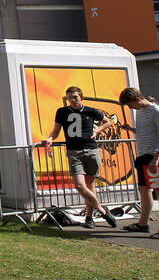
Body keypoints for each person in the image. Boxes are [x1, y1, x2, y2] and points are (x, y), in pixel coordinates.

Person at [42, 86, 117, 228]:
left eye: (75, 97)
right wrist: (50, 138)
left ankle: (89, 217)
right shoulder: (62, 112)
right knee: (80, 185)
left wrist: (97, 131)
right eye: (70, 98)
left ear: (81, 97)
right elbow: (56, 130)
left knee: (90, 184)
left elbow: (107, 122)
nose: (73, 100)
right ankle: (102, 211)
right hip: (74, 151)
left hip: (91, 149)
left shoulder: (91, 111)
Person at [119, 87, 159, 239]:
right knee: (144, 190)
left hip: (156, 156)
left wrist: (156, 158)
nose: (131, 108)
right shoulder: (140, 112)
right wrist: (131, 129)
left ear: (137, 99)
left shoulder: (156, 110)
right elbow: (146, 131)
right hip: (143, 155)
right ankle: (142, 223)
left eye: (130, 105)